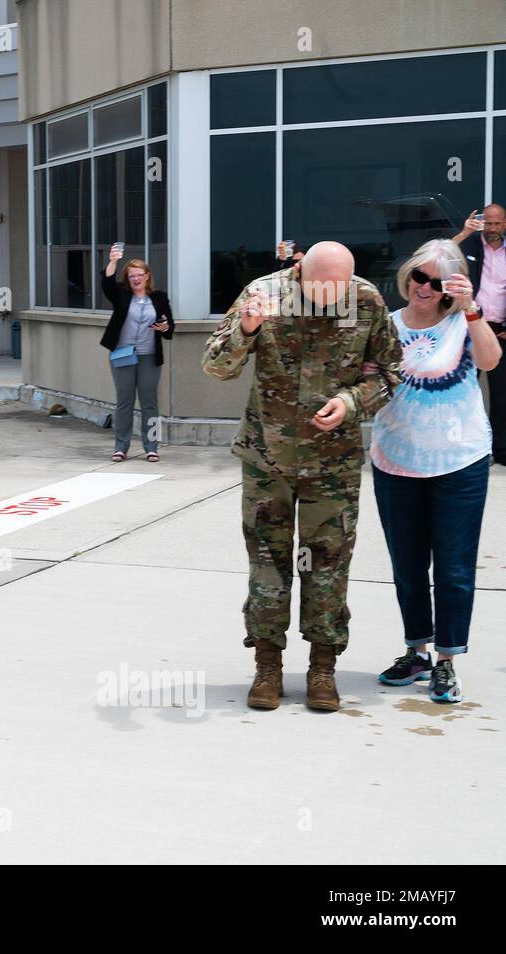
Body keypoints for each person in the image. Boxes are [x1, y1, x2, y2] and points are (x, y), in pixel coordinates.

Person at [203, 241, 403, 712]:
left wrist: (352, 403)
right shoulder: (263, 295)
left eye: (340, 287)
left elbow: (391, 372)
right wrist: (247, 329)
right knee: (268, 567)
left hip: (332, 466)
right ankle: (268, 666)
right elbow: (216, 367)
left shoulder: (368, 301)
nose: (332, 296)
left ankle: (322, 668)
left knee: (326, 566)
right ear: (300, 273)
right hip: (267, 460)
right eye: (321, 287)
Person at [366, 240, 499, 704]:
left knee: (454, 568)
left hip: (459, 462)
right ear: (407, 276)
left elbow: (490, 361)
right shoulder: (385, 326)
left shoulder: (463, 322)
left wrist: (473, 309)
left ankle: (446, 661)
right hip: (395, 461)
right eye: (418, 276)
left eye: (437, 281)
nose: (424, 287)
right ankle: (415, 651)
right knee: (407, 566)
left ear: (451, 288)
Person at [101, 247, 173, 462]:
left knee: (149, 402)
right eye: (131, 276)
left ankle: (152, 447)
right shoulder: (121, 295)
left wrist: (164, 328)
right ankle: (120, 447)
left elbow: (170, 327)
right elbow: (107, 283)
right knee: (124, 401)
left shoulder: (159, 298)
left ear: (147, 276)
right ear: (128, 279)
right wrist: (113, 261)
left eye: (139, 275)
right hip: (123, 354)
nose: (135, 279)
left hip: (149, 356)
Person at [452, 204, 506, 463]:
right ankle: (462, 449)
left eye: (497, 224)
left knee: (502, 397)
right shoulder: (470, 245)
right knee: (461, 391)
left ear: (504, 224)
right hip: (469, 328)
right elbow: (440, 254)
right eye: (489, 224)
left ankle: (501, 450)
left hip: (501, 332)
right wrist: (464, 233)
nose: (492, 229)